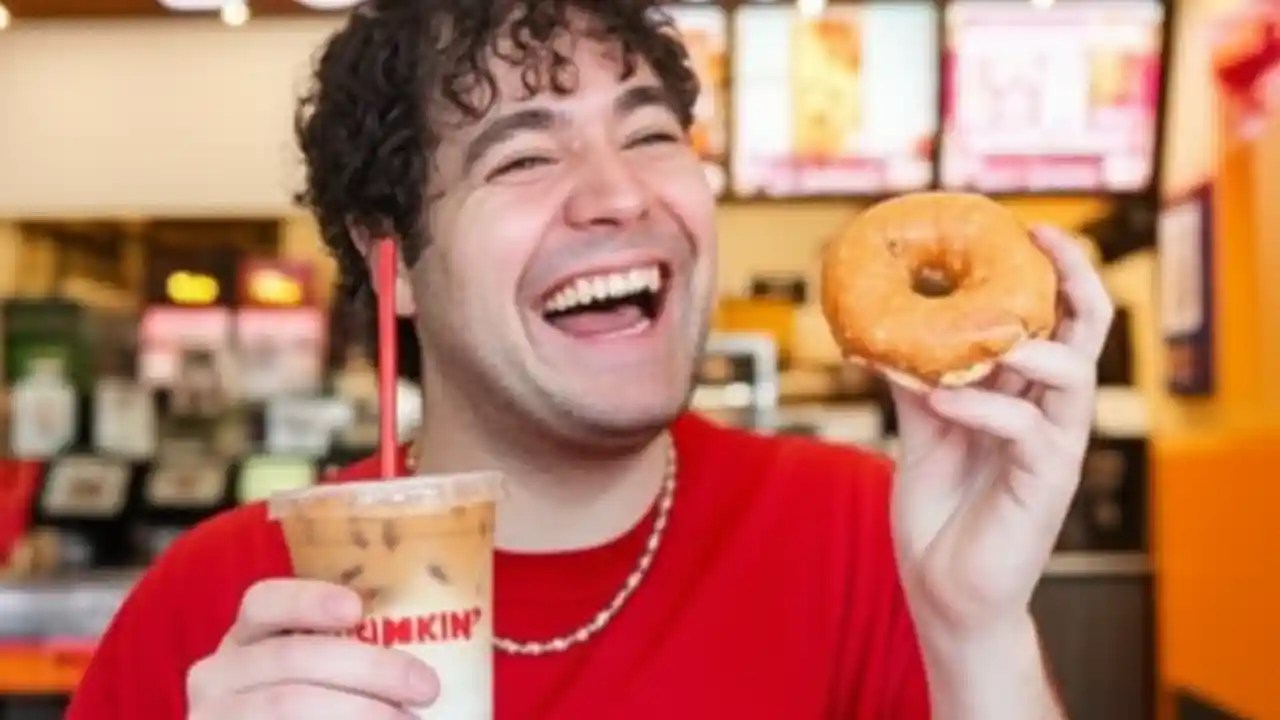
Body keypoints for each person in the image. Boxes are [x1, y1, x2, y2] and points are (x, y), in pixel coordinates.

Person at [66, 1, 1113, 718]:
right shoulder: (216, 607)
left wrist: (976, 637)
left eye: (650, 136)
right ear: (390, 265)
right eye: (522, 155)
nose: (620, 194)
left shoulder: (873, 536)